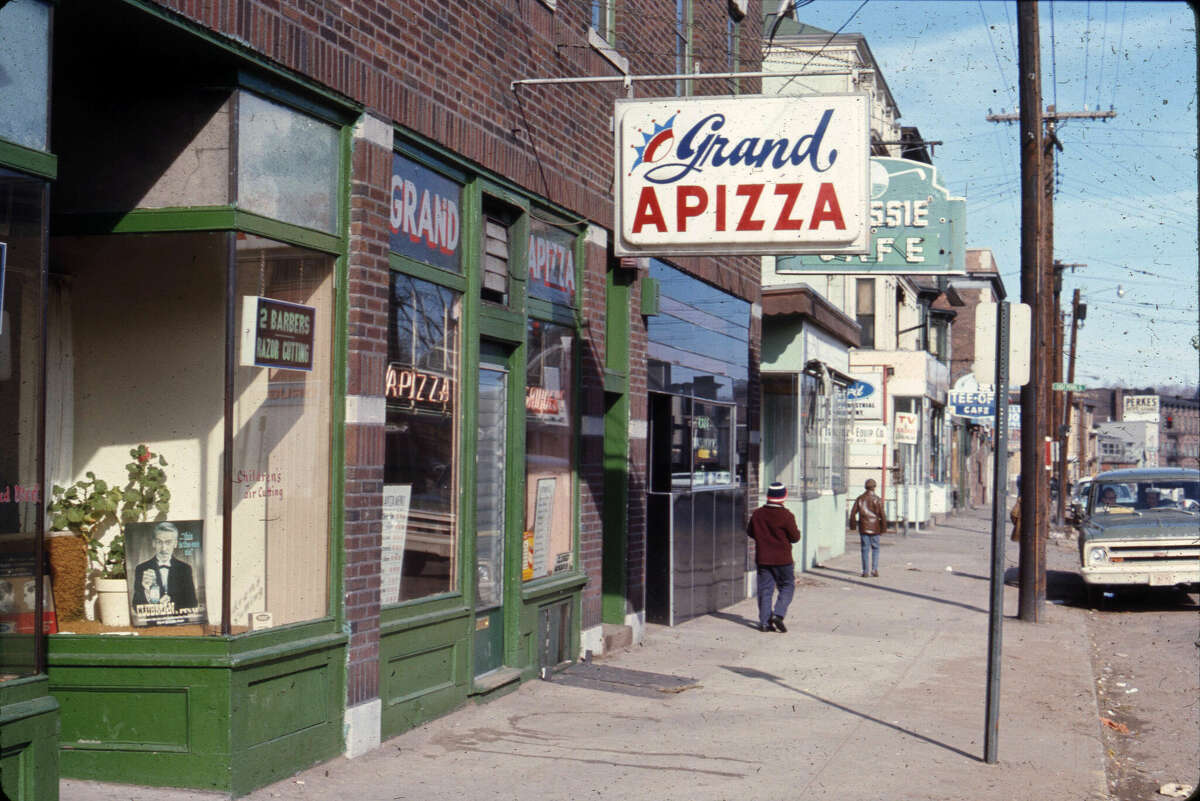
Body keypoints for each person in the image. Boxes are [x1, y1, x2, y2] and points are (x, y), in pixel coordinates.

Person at [746, 482, 800, 633]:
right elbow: (795, 537)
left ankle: (764, 623)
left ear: (768, 496)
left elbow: (750, 532)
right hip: (783, 559)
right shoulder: (787, 515)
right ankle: (778, 614)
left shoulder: (757, 514)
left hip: (763, 558)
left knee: (765, 590)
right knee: (787, 585)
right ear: (783, 497)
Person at [134, 522, 198, 612]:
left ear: (175, 544)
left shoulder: (185, 569)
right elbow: (136, 606)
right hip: (153, 625)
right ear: (153, 543)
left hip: (179, 624)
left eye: (168, 542)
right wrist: (146, 590)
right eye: (159, 542)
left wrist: (169, 607)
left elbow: (192, 604)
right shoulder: (141, 568)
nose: (164, 548)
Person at [848, 478, 888, 577]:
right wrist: (883, 528)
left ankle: (865, 571)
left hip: (864, 527)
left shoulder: (860, 499)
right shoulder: (877, 499)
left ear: (865, 487)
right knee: (875, 548)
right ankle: (874, 569)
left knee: (865, 549)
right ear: (874, 487)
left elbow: (853, 513)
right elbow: (882, 515)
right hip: (875, 528)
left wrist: (853, 526)